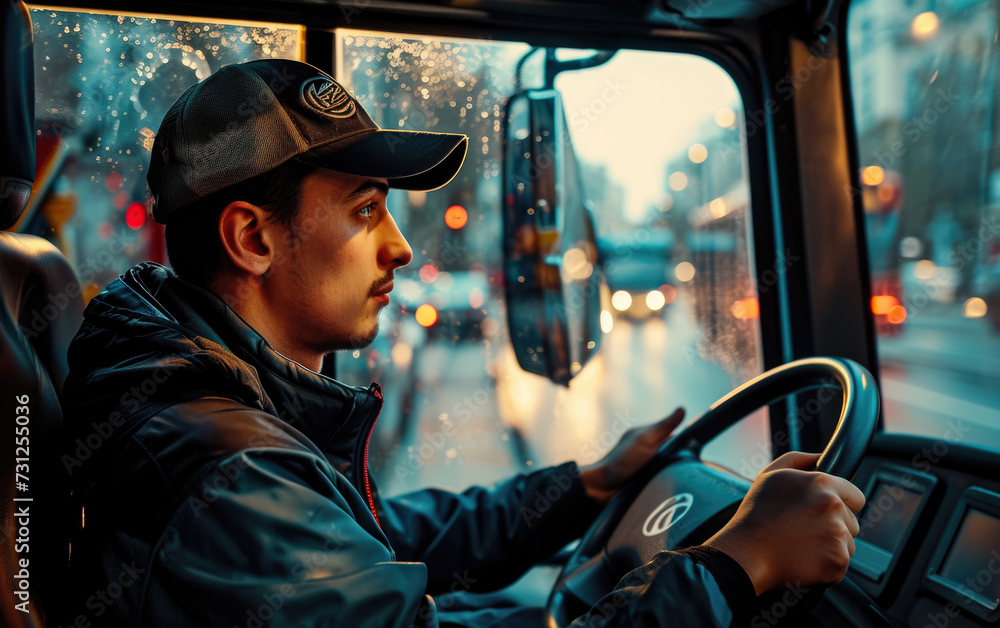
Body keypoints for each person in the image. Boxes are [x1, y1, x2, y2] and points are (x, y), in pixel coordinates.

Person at [59, 59, 864, 627]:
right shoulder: (223, 470)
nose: (401, 249)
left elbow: (375, 546)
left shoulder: (212, 406)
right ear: (253, 239)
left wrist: (582, 487)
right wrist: (737, 562)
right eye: (367, 210)